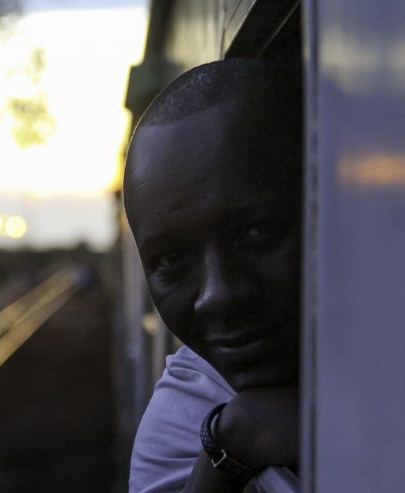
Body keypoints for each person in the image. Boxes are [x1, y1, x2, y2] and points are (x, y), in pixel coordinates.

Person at [123, 58, 302, 492]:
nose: (218, 296)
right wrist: (226, 450)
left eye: (257, 233)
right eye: (171, 260)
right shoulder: (179, 427)